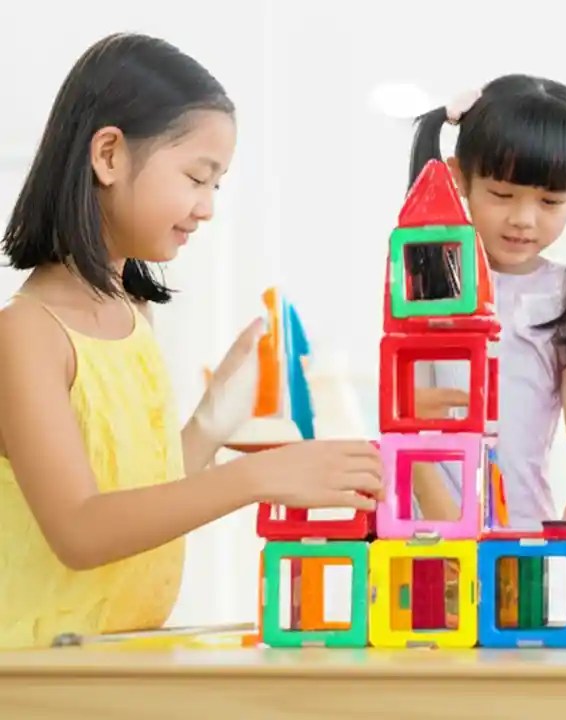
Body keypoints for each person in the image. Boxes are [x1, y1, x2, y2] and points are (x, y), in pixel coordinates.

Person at [0, 33, 382, 649]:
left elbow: (133, 498)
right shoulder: (26, 333)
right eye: (197, 177)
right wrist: (258, 478)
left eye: (217, 186)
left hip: (118, 656)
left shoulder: (134, 314)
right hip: (39, 671)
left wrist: (208, 424)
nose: (206, 208)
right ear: (108, 156)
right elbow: (80, 530)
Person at [405, 75, 566, 528]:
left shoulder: (564, 294)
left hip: (524, 527)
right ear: (460, 178)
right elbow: (409, 409)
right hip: (427, 527)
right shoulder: (428, 284)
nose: (523, 219)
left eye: (549, 202)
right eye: (502, 195)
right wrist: (445, 517)